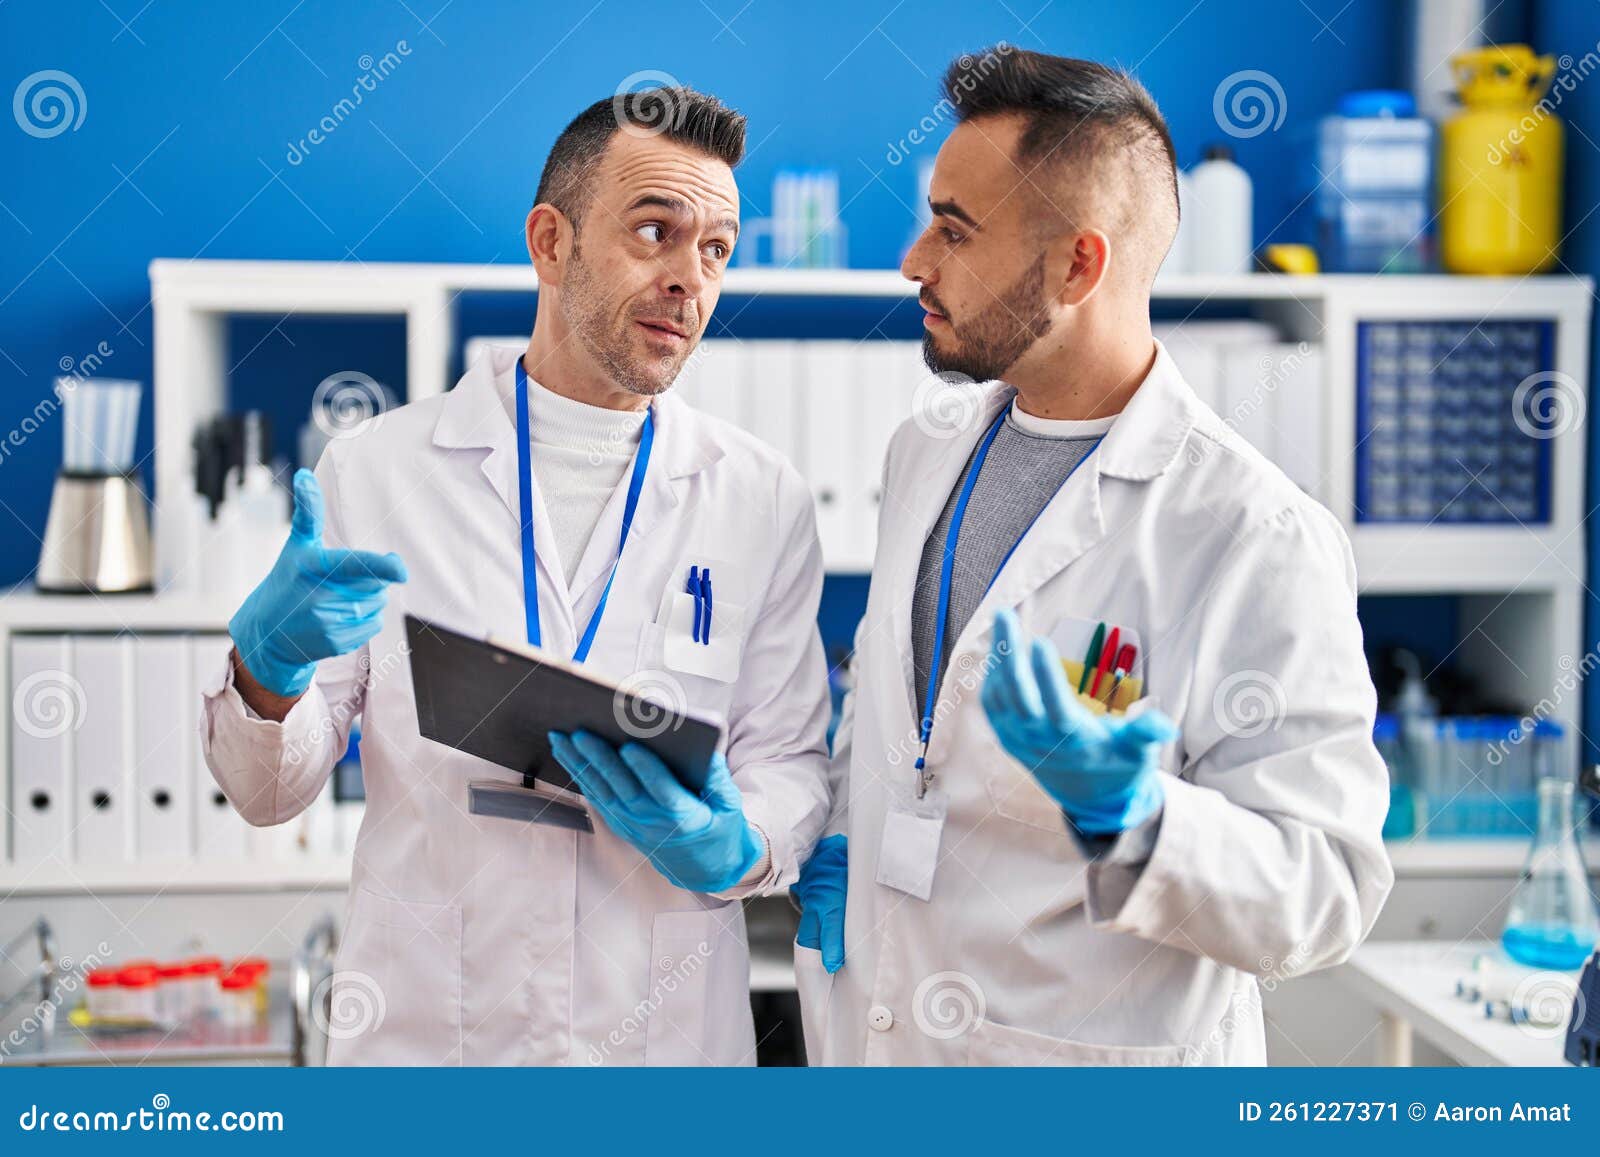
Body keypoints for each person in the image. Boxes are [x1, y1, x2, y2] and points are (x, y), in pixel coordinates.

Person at [202, 87, 833, 1065]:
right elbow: (266, 793)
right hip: (430, 1041)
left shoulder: (763, 499)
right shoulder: (378, 471)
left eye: (716, 250)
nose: (688, 278)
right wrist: (266, 671)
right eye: (654, 230)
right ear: (550, 241)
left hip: (663, 1047)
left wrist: (738, 845)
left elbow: (789, 760)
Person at [792, 48, 1393, 1066]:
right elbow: (894, 722)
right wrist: (844, 828)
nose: (912, 261)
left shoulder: (1253, 531)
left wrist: (1136, 815)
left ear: (1078, 263)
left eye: (954, 229)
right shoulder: (922, 452)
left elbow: (1323, 891)